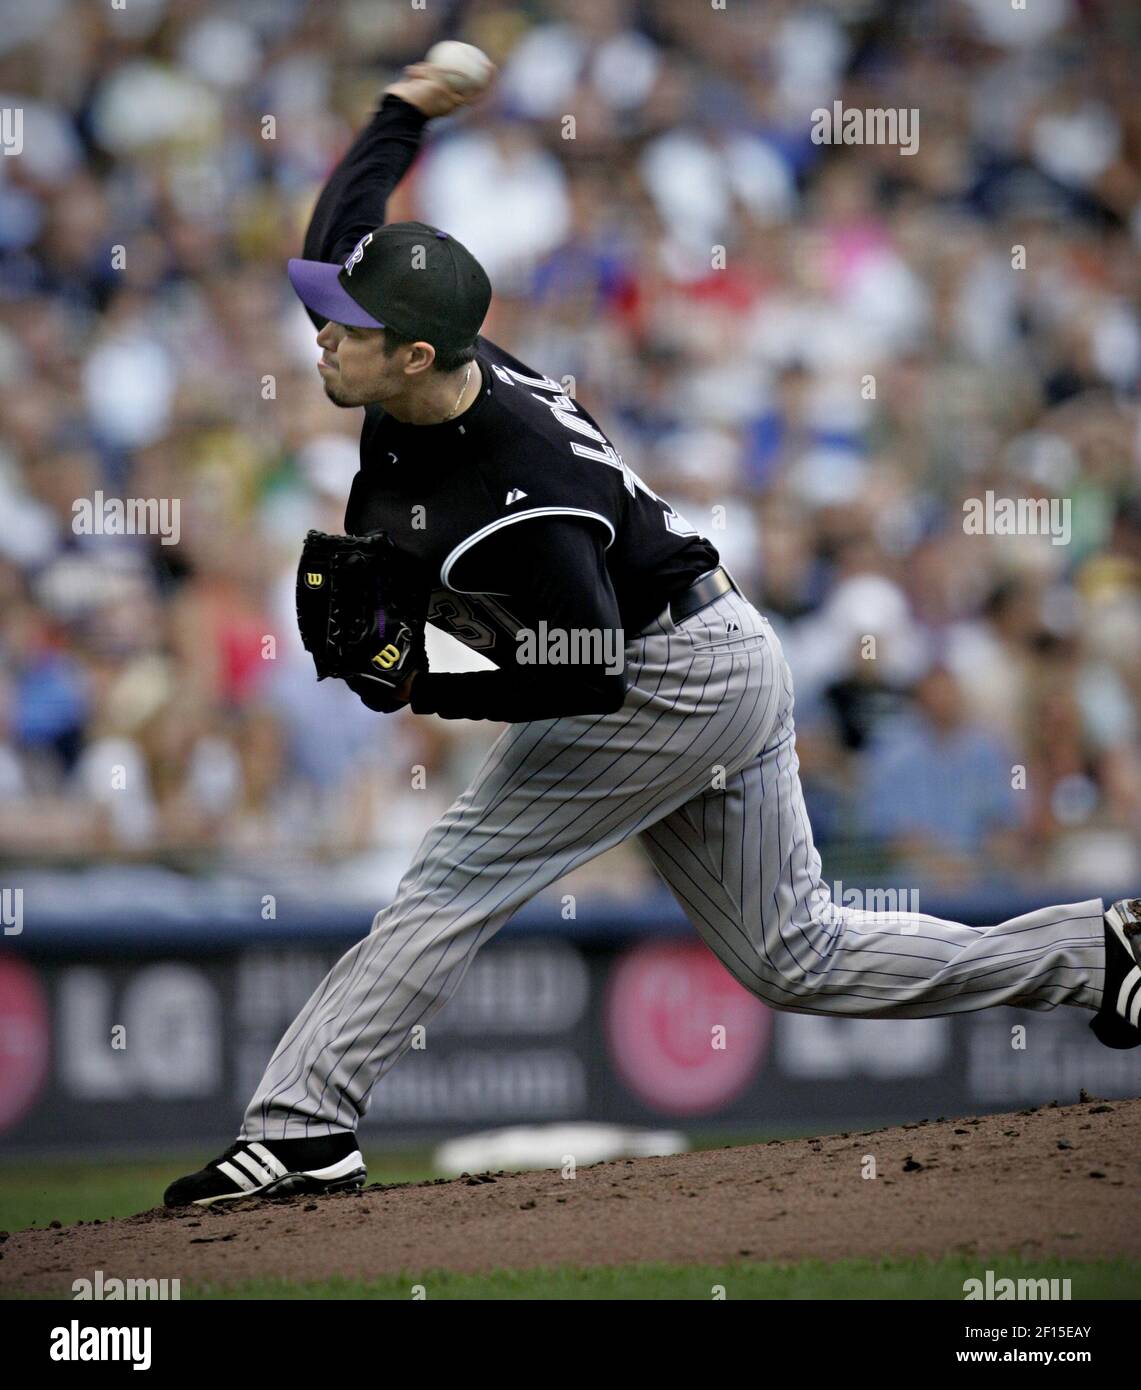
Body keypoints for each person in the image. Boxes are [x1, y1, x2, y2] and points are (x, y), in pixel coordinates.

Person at [164, 58, 1139, 1208]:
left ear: (414, 356)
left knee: (456, 872)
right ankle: (1101, 951)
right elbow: (343, 231)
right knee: (796, 954)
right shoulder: (425, 358)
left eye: (347, 330)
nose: (319, 337)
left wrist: (428, 674)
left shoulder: (521, 492)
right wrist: (401, 111)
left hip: (660, 673)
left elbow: (584, 668)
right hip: (715, 648)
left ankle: (304, 1124)